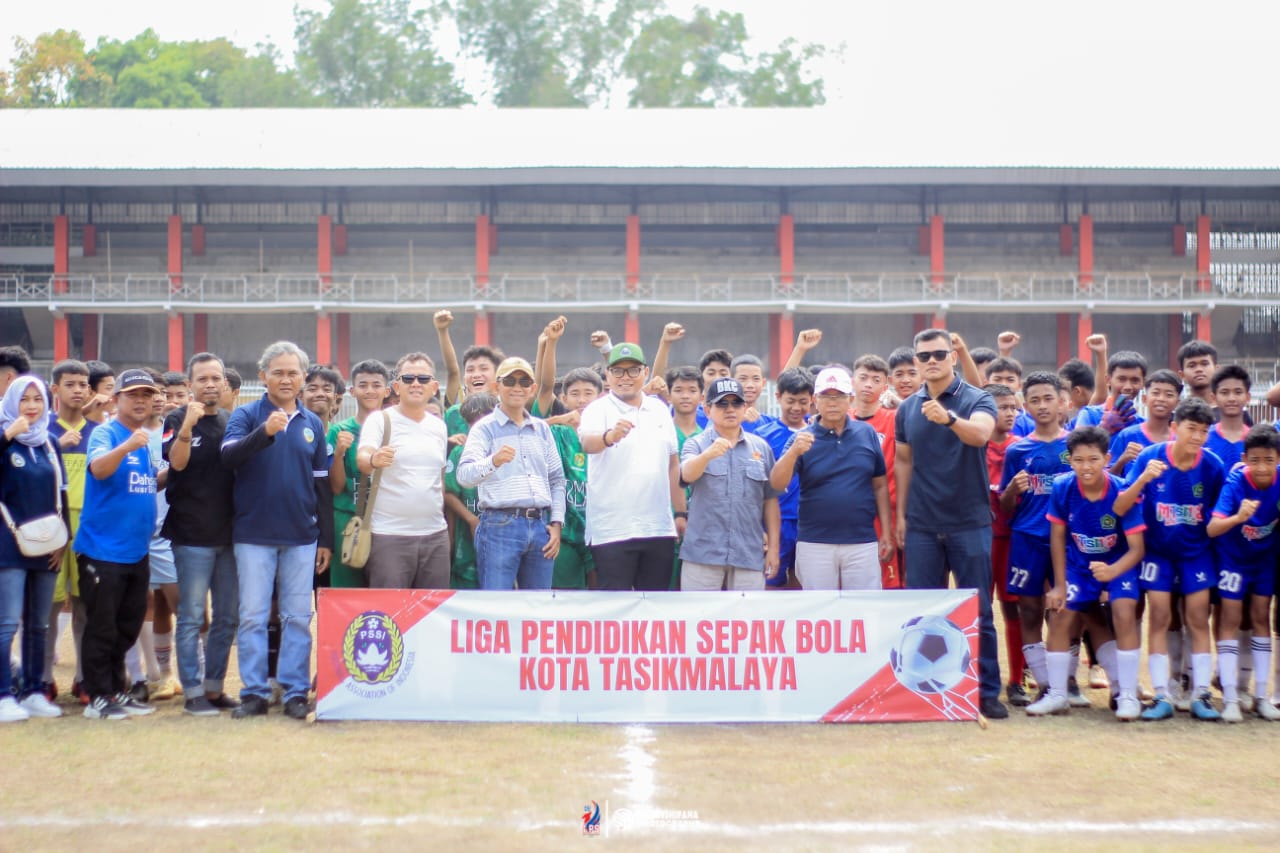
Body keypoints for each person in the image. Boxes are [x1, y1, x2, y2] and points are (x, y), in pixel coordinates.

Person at [894, 328, 1006, 719]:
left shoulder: (977, 398)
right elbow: (903, 461)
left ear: (953, 357)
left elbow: (981, 435)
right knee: (923, 613)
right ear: (916, 361)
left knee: (980, 610)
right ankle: (923, 690)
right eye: (923, 356)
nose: (931, 361)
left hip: (968, 521)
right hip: (922, 524)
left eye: (939, 354)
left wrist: (949, 418)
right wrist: (901, 515)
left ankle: (987, 692)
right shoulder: (908, 408)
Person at [222, 341, 333, 720]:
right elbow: (228, 456)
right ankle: (254, 692)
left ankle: (295, 691)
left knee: (298, 617)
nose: (286, 379)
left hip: (302, 537)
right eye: (278, 373)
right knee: (253, 616)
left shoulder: (312, 423)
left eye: (293, 373)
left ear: (303, 377)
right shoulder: (246, 415)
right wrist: (264, 433)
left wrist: (326, 538)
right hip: (253, 534)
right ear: (263, 376)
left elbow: (321, 484)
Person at [1115, 397, 1225, 721]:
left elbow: (1219, 513)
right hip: (1158, 552)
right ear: (1175, 428)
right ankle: (1161, 694)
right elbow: (1120, 506)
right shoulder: (1150, 457)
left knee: (1198, 617)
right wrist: (1143, 479)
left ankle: (1201, 694)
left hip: (1196, 552)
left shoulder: (1212, 465)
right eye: (1192, 429)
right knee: (1160, 616)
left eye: (1204, 431)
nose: (1198, 437)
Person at [1027, 426, 1146, 720]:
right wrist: (1059, 585)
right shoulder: (1063, 487)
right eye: (1078, 460)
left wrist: (1112, 571)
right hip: (1079, 567)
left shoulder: (1121, 491)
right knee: (1060, 615)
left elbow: (1137, 549)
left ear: (1107, 459)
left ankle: (1127, 694)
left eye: (1093, 459)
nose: (1086, 467)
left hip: (1118, 565)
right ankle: (1058, 694)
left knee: (1123, 613)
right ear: (1069, 460)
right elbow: (1057, 538)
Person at [75, 369, 162, 720]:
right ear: (116, 400)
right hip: (102, 550)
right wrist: (127, 446)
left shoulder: (145, 440)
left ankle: (115, 690)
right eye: (133, 394)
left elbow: (147, 482)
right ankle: (97, 696)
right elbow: (98, 468)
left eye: (147, 395)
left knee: (126, 626)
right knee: (102, 626)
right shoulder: (106, 432)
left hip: (136, 551)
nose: (141, 401)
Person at [161, 352, 240, 716]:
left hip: (229, 535)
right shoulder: (176, 418)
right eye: (202, 379)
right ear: (190, 384)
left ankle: (214, 688)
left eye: (215, 378)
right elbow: (177, 464)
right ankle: (192, 691)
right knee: (192, 616)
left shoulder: (233, 421)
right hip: (191, 535)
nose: (210, 384)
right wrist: (187, 426)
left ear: (225, 383)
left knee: (227, 617)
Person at [771, 368, 892, 590]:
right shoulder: (801, 437)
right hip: (815, 541)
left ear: (851, 399)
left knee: (864, 606)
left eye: (839, 396)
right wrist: (793, 452)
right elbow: (777, 484)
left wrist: (885, 531)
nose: (833, 402)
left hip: (861, 540)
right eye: (826, 396)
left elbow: (880, 485)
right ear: (815, 400)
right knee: (819, 606)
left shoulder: (866, 433)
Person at [579, 343, 686, 590]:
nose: (625, 377)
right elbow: (587, 443)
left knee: (654, 603)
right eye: (618, 371)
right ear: (608, 375)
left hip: (658, 527)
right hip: (612, 529)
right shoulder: (597, 409)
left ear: (645, 372)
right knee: (616, 605)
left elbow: (673, 464)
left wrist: (680, 513)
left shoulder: (659, 409)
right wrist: (609, 437)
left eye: (633, 370)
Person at [457, 357, 565, 590]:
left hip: (540, 525)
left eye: (524, 382)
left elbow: (557, 479)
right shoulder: (484, 428)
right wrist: (493, 461)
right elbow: (464, 476)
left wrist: (557, 523)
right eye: (510, 381)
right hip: (499, 525)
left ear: (532, 389)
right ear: (496, 387)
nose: (517, 387)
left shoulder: (542, 429)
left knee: (538, 604)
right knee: (497, 603)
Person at [999, 372, 1073, 703]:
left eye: (1048, 398)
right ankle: (1044, 685)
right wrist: (1011, 491)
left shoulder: (1075, 446)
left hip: (1067, 540)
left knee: (1065, 611)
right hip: (1027, 538)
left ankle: (1066, 681)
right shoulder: (1018, 450)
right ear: (1025, 406)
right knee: (1028, 611)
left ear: (1061, 402)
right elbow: (1005, 505)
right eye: (1035, 400)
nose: (1042, 406)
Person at [0, 376, 67, 721]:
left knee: (39, 624)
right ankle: (3, 695)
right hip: (8, 543)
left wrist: (64, 539)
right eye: (24, 399)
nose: (31, 406)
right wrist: (7, 436)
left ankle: (33, 691)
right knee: (7, 623)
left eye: (37, 399)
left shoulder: (49, 442)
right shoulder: (5, 438)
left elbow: (61, 492)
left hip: (46, 544)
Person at [356, 353, 450, 590]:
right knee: (389, 609)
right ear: (397, 387)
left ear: (434, 387)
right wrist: (374, 459)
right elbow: (362, 459)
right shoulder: (380, 420)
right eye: (408, 378)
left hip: (435, 536)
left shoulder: (439, 426)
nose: (416, 384)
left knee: (433, 608)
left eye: (423, 378)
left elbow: (439, 479)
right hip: (389, 536)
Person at [679, 378, 780, 590]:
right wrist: (707, 455)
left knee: (749, 611)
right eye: (722, 404)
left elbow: (770, 501)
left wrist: (773, 549)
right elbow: (686, 475)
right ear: (708, 410)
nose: (730, 409)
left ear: (745, 408)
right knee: (698, 610)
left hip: (748, 552)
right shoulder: (696, 443)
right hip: (703, 553)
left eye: (736, 403)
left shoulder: (761, 447)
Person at [1208, 424, 1280, 722]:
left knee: (1261, 617)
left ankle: (1261, 697)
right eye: (1255, 460)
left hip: (1264, 560)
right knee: (1230, 618)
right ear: (1244, 458)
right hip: (1233, 559)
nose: (1262, 467)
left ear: (1278, 459)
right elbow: (1212, 528)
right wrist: (1239, 517)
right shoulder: (1236, 482)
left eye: (1269, 460)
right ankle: (1231, 698)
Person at [44, 359, 95, 704]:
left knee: (84, 606)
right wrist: (55, 447)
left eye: (83, 384)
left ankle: (83, 678)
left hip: (88, 530)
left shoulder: (99, 432)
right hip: (50, 529)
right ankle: (43, 678)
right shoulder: (42, 430)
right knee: (47, 608)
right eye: (70, 384)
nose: (77, 390)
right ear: (55, 389)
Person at [326, 359, 390, 589]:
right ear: (352, 391)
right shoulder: (339, 431)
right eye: (363, 385)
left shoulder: (395, 430)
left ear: (387, 391)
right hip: (347, 520)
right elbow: (336, 487)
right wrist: (338, 454)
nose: (370, 390)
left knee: (384, 586)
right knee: (346, 589)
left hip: (386, 521)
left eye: (376, 385)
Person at [984, 383, 1027, 706]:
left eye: (1013, 407)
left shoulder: (1022, 448)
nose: (1010, 413)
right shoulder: (973, 446)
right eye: (1002, 407)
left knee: (1014, 607)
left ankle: (1016, 680)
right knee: (979, 607)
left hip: (1013, 538)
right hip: (980, 538)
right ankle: (978, 676)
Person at [755, 368, 812, 589]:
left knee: (803, 583)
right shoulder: (763, 435)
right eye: (791, 401)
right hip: (775, 522)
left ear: (812, 399)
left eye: (803, 401)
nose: (796, 408)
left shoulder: (818, 433)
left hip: (809, 523)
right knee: (771, 581)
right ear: (778, 396)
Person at [851, 354, 901, 589]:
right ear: (853, 381)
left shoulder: (895, 419)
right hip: (850, 515)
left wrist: (900, 403)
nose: (868, 384)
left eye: (876, 379)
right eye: (863, 378)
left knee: (888, 587)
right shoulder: (839, 420)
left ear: (886, 385)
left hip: (887, 515)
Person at [444, 393, 497, 590]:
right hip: (467, 537)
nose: (479, 425)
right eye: (473, 421)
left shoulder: (506, 449)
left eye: (485, 418)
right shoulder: (460, 452)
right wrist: (471, 519)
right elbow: (448, 492)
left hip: (501, 533)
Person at [1108, 370, 1181, 477]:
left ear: (1177, 403)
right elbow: (1108, 480)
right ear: (1144, 399)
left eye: (1169, 395)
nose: (1161, 399)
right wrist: (1122, 461)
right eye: (1156, 393)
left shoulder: (1179, 441)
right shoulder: (1127, 435)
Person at [444, 345, 505, 440]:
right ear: (464, 379)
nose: (476, 375)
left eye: (484, 369)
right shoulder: (453, 414)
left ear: (498, 375)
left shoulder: (507, 412)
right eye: (470, 370)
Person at [1205, 364, 1251, 463]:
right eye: (1224, 392)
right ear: (1214, 398)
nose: (1231, 398)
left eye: (1238, 392)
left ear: (1248, 397)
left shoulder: (1256, 439)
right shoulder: (1204, 437)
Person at [1176, 340, 1218, 406]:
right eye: (1192, 366)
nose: (1199, 369)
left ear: (1216, 369)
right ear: (1182, 375)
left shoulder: (1227, 408)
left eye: (1204, 364)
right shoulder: (1180, 410)